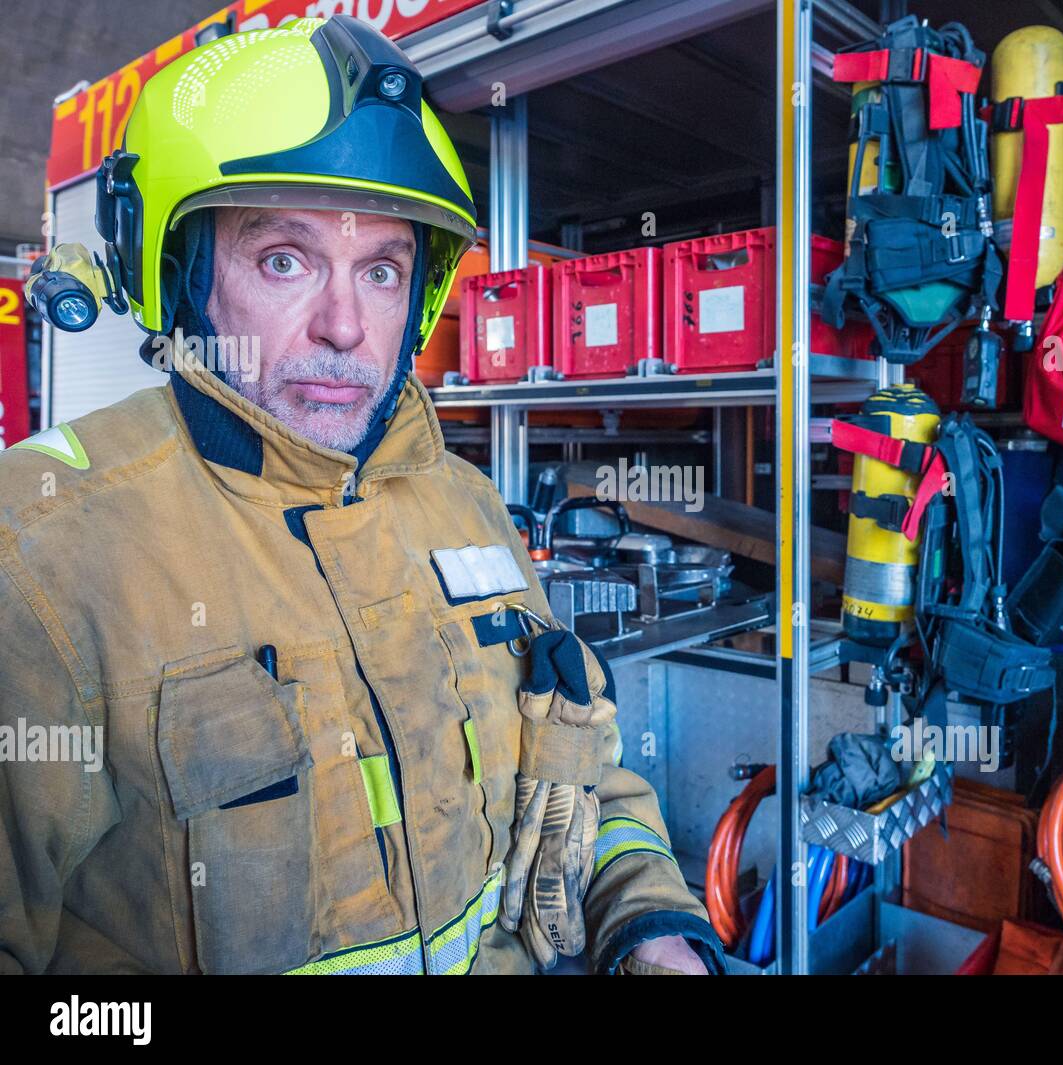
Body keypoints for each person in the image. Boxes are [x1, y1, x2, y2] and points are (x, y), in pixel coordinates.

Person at [0, 14, 721, 976]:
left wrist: (649, 924)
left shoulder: (464, 502)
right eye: (284, 259)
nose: (345, 326)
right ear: (178, 275)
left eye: (381, 270)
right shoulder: (39, 554)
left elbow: (591, 775)